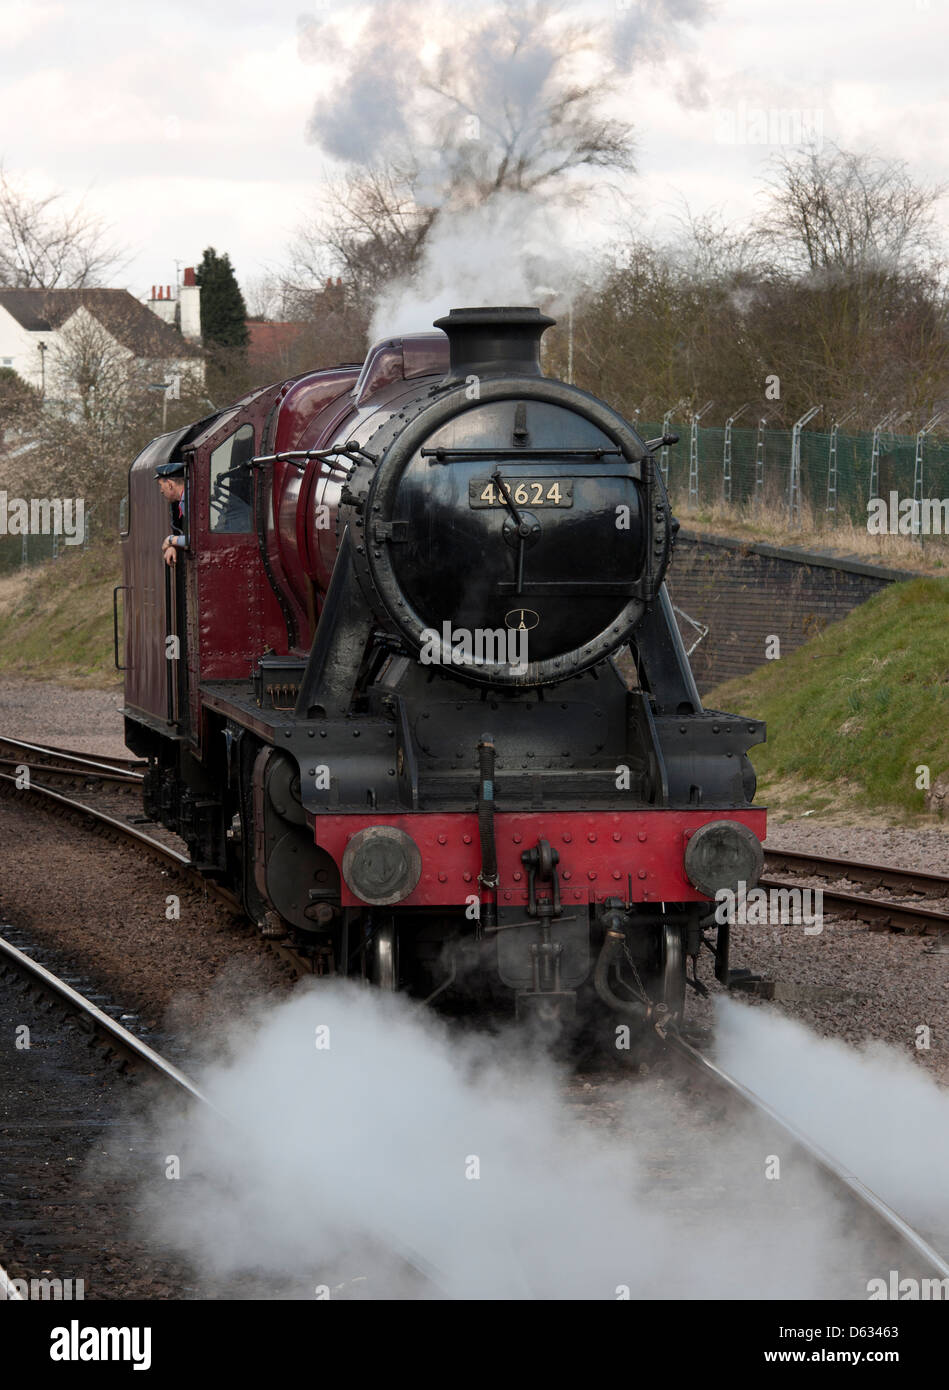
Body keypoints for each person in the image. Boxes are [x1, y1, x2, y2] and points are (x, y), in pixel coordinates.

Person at [155, 461, 188, 567]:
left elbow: (199, 539)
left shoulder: (191, 499)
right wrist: (173, 545)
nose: (161, 491)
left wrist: (170, 540)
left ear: (170, 484)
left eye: (161, 485)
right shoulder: (186, 498)